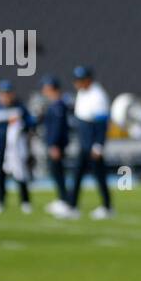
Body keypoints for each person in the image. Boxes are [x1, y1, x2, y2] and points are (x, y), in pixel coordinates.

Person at [59, 65, 112, 220]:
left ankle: (107, 206)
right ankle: (72, 205)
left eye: (80, 80)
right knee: (77, 174)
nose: (77, 83)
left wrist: (98, 145)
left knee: (99, 175)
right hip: (84, 140)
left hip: (93, 142)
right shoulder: (82, 94)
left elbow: (101, 124)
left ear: (88, 80)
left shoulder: (98, 96)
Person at [0, 79, 33, 214]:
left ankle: (25, 201)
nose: (6, 96)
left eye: (8, 93)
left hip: (16, 147)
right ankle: (0, 201)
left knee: (20, 174)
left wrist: (22, 125)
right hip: (0, 147)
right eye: (4, 93)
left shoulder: (19, 108)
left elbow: (30, 123)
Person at [39, 76, 71, 217]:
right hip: (54, 145)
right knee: (56, 173)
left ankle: (64, 200)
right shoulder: (54, 105)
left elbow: (58, 128)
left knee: (59, 173)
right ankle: (62, 199)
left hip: (56, 146)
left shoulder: (59, 105)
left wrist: (54, 145)